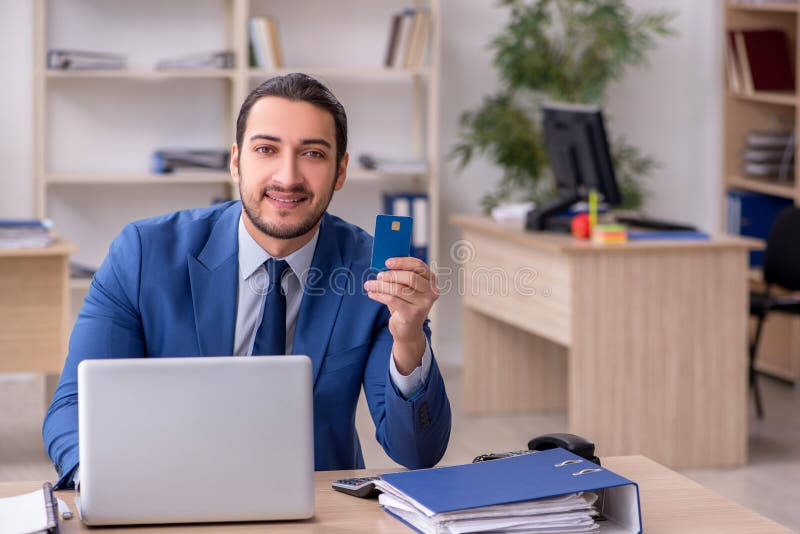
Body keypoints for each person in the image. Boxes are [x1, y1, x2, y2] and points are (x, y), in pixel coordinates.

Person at [43, 73, 451, 488]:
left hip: (315, 504)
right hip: (167, 491)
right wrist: (102, 482)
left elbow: (416, 452)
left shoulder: (372, 273)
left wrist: (409, 337)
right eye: (266, 149)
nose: (287, 177)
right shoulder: (143, 254)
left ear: (340, 171)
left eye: (312, 153)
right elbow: (73, 408)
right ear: (236, 162)